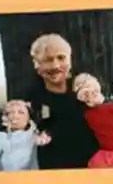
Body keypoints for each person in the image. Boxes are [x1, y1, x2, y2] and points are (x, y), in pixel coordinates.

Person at [23, 33, 101, 168]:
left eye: (61, 58)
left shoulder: (86, 89)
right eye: (48, 60)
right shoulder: (31, 99)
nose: (55, 65)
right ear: (37, 65)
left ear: (69, 60)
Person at [0, 100, 46, 171]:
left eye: (21, 112)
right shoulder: (1, 136)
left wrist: (42, 139)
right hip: (7, 176)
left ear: (28, 118)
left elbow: (40, 140)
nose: (16, 116)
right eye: (11, 112)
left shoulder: (31, 134)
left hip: (29, 176)